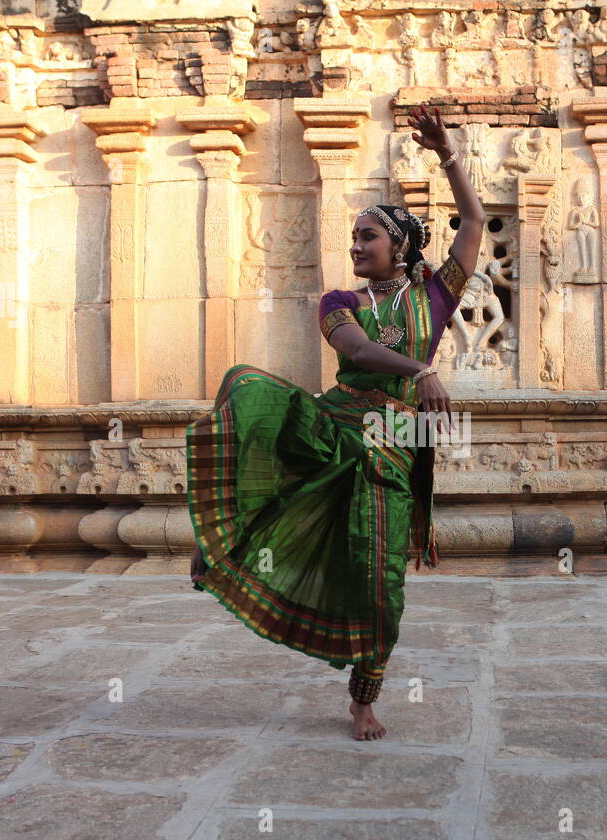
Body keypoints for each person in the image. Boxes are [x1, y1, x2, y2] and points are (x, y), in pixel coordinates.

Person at [187, 105, 484, 741]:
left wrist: (447, 153)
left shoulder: (436, 295)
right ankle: (222, 543)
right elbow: (357, 353)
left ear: (399, 246)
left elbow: (475, 222)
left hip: (397, 446)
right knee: (250, 396)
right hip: (338, 425)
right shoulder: (340, 301)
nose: (355, 246)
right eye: (353, 237)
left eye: (367, 237)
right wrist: (423, 371)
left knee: (380, 579)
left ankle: (363, 697)